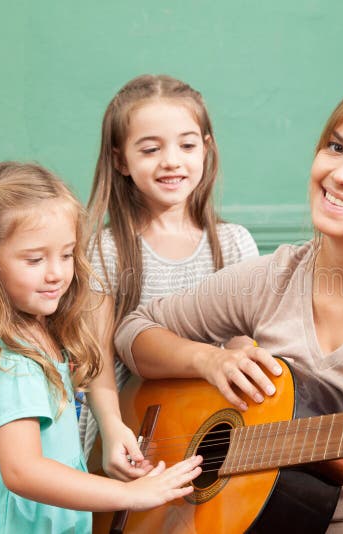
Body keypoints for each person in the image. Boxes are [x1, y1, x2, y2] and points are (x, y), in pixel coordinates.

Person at [113, 79, 343, 533]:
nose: (342, 175)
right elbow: (134, 331)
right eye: (337, 147)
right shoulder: (271, 279)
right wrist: (208, 360)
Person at [0, 162, 202, 533]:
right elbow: (23, 471)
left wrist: (111, 427)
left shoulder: (40, 326)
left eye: (67, 254)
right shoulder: (10, 359)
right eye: (35, 259)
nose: (56, 273)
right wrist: (132, 495)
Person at [79, 74, 258, 478]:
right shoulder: (106, 250)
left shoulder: (233, 244)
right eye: (151, 149)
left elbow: (242, 347)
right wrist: (112, 429)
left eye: (187, 145)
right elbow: (96, 360)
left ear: (206, 148)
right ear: (120, 160)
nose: (172, 161)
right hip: (132, 432)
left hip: (207, 435)